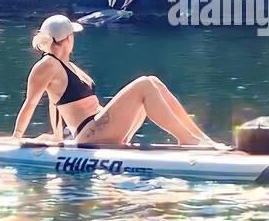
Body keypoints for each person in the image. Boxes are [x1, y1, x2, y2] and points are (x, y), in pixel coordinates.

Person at [12, 13, 223, 148]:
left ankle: (199, 138)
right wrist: (17, 137)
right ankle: (187, 140)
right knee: (144, 84)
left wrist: (56, 135)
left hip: (99, 125)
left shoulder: (66, 65)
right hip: (90, 134)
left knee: (153, 81)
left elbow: (55, 102)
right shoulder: (47, 65)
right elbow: (31, 102)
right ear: (68, 39)